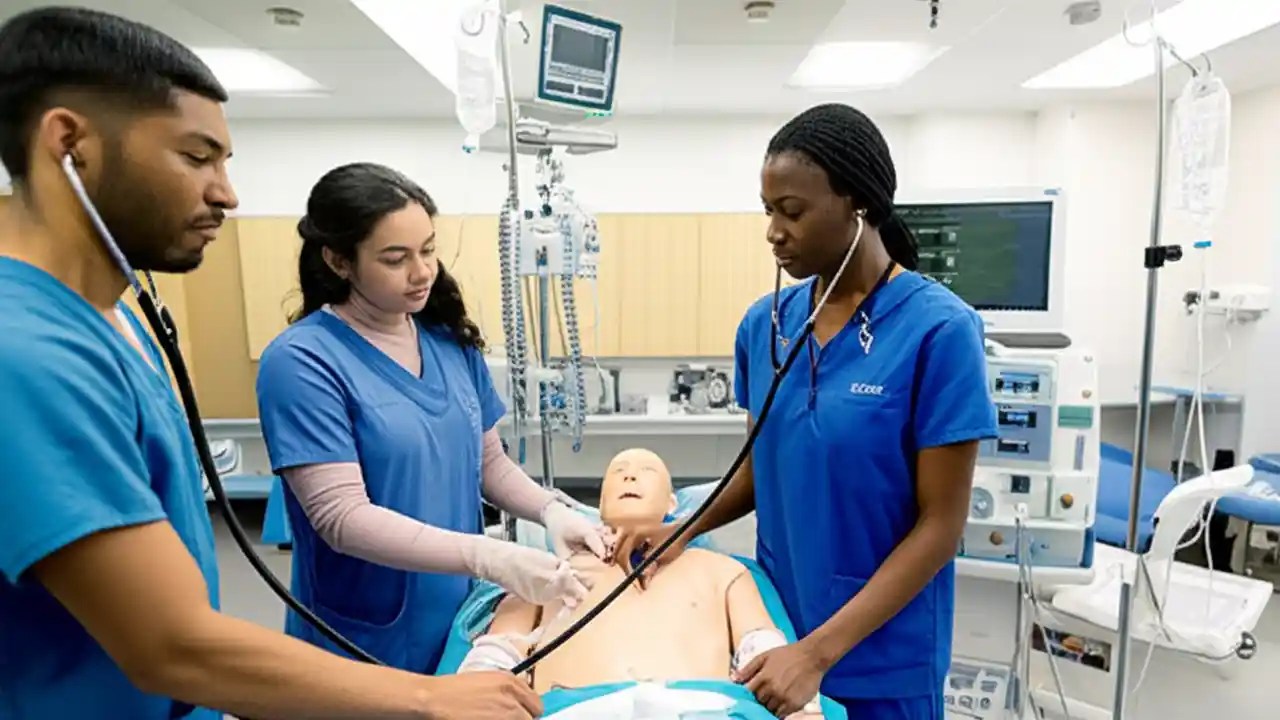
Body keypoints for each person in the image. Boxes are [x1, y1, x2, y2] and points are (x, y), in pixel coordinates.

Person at [0, 7, 540, 719]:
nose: (228, 192)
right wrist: (430, 696)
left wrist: (548, 515)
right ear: (70, 144)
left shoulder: (116, 318)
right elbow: (170, 642)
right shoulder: (25, 352)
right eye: (197, 157)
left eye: (226, 161)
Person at [615, 103, 999, 719]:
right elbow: (758, 469)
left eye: (792, 212)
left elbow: (941, 528)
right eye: (768, 211)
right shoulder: (766, 324)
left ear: (859, 205)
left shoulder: (939, 331)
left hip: (882, 658)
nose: (774, 232)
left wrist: (818, 654)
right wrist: (680, 529)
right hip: (775, 634)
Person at [255, 161, 605, 675]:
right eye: (395, 258)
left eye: (428, 250)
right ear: (338, 260)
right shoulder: (303, 361)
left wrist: (552, 510)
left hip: (459, 623)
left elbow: (489, 464)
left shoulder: (447, 343)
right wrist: (489, 555)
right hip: (362, 639)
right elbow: (341, 518)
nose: (422, 273)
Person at [457, 448, 824, 719]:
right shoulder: (543, 572)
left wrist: (806, 712)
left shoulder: (722, 570)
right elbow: (494, 657)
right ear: (598, 504)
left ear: (671, 502)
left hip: (704, 709)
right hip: (572, 709)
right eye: (618, 472)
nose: (630, 477)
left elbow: (767, 656)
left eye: (646, 470)